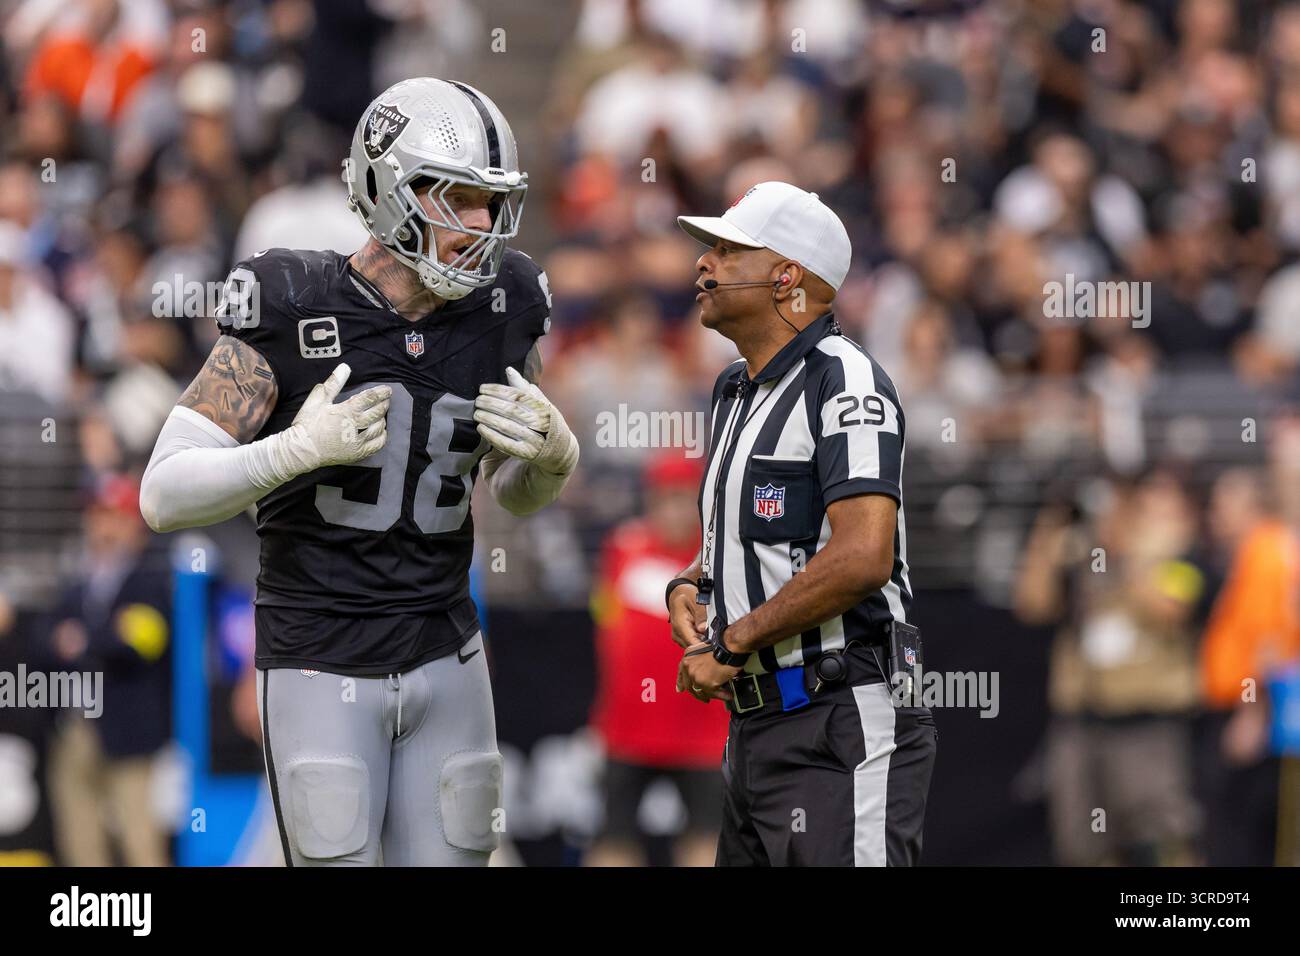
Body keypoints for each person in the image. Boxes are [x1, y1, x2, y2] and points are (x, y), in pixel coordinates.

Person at [137, 77, 580, 866]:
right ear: (389, 189)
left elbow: (512, 489)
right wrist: (291, 453)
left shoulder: (506, 306)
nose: (480, 224)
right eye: (457, 198)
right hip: (317, 656)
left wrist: (553, 462)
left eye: (490, 201)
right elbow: (163, 493)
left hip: (448, 651)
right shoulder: (293, 299)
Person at [664, 181, 936, 866]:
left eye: (727, 250)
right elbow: (742, 537)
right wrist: (692, 585)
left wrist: (731, 643)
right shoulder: (735, 388)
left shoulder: (845, 381)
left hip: (839, 715)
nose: (704, 264)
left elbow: (863, 555)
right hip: (756, 727)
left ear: (786, 276)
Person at [586, 453, 728, 867]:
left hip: (701, 732)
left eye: (684, 498)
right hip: (627, 729)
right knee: (613, 840)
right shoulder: (622, 549)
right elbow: (606, 625)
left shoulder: (718, 559)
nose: (674, 509)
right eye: (665, 498)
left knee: (706, 842)